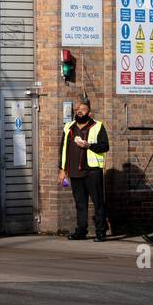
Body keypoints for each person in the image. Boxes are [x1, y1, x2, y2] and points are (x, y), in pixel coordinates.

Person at [58, 97, 110, 241]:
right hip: (74, 171)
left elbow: (105, 146)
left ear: (89, 113)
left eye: (83, 109)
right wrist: (62, 169)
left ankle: (100, 232)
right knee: (80, 204)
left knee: (98, 202)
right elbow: (63, 149)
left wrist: (89, 146)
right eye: (78, 109)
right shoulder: (69, 127)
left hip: (92, 171)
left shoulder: (98, 126)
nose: (79, 111)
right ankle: (81, 231)